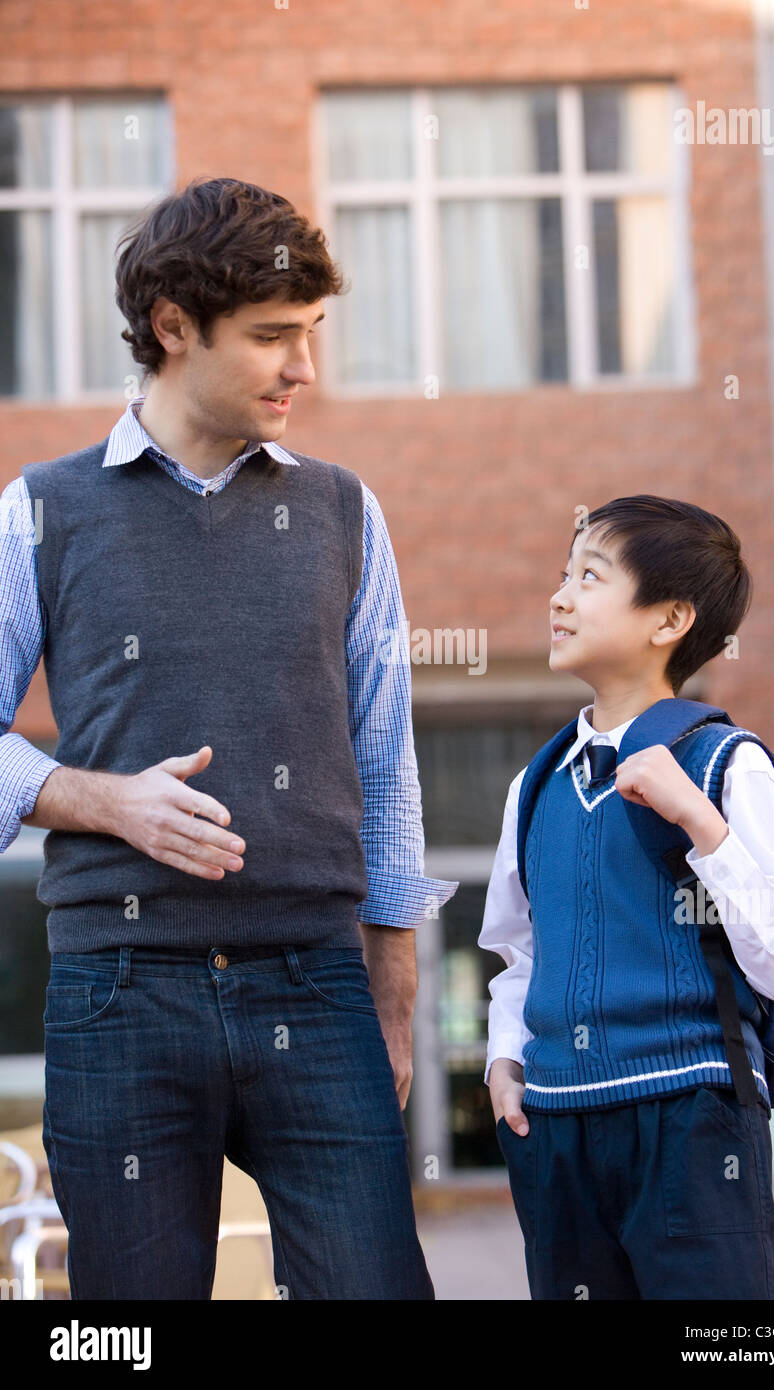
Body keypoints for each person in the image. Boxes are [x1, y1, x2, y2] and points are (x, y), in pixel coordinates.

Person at [0, 176, 457, 1300]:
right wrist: (102, 799)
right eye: (271, 337)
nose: (305, 367)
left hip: (317, 982)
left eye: (309, 333)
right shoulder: (41, 509)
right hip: (117, 989)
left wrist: (391, 993)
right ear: (171, 328)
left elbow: (384, 757)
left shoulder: (347, 511)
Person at [479, 495, 774, 1300]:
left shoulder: (727, 766)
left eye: (590, 578)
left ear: (669, 619)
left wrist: (701, 824)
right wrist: (504, 1061)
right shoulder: (534, 787)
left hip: (693, 1124)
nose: (560, 597)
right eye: (563, 576)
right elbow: (521, 951)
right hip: (556, 1129)